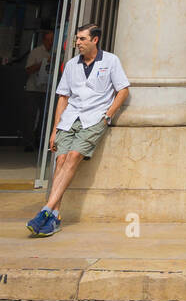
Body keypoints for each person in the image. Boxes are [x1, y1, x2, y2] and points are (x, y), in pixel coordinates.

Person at [26, 23, 129, 237]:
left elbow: (123, 90)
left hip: (94, 119)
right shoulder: (72, 64)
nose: (77, 43)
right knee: (60, 160)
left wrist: (108, 115)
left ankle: (46, 210)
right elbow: (63, 97)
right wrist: (55, 130)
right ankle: (54, 215)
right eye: (77, 39)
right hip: (70, 118)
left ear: (95, 40)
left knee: (73, 156)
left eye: (82, 39)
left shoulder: (110, 61)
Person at [23, 28, 54, 152]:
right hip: (34, 89)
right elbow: (28, 70)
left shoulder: (56, 52)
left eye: (53, 40)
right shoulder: (36, 52)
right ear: (44, 40)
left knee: (45, 117)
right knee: (31, 116)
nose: (51, 42)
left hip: (48, 89)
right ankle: (28, 142)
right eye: (49, 39)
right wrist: (42, 64)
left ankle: (39, 140)